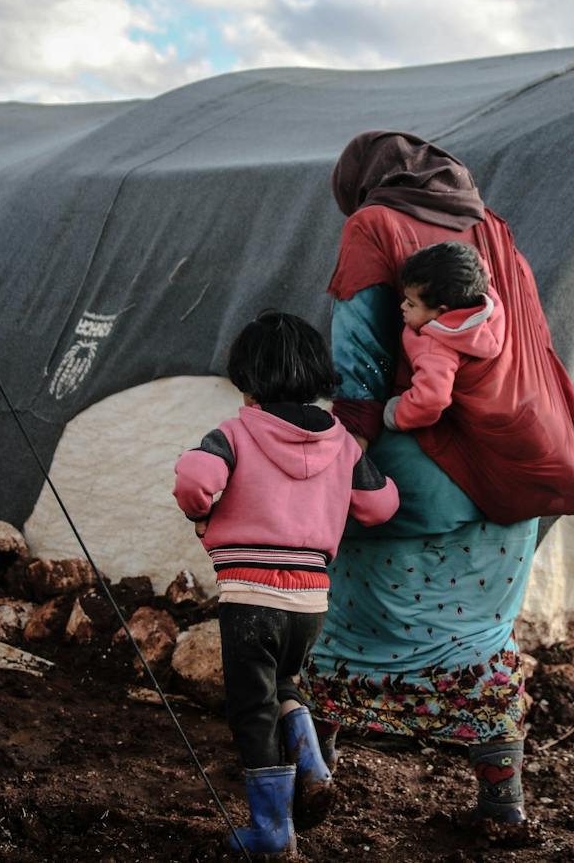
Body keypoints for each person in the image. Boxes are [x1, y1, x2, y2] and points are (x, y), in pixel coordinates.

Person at [303, 131, 574, 832]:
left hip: (418, 473)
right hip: (508, 481)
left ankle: (312, 770)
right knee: (479, 643)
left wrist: (346, 457)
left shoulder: (374, 224)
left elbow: (360, 355)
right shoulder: (491, 229)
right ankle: (502, 800)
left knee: (342, 627)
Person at [173, 311, 399, 855]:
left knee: (252, 709)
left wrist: (201, 512)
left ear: (249, 382)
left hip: (250, 599)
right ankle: (312, 759)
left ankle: (273, 835)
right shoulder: (341, 441)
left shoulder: (234, 431)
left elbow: (195, 482)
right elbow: (380, 505)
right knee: (284, 683)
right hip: (309, 602)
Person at [384, 241, 503, 435]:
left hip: (477, 428)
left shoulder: (436, 349)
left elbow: (430, 400)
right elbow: (477, 265)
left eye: (411, 304)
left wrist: (395, 413)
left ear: (441, 312)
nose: (402, 306)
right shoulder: (486, 300)